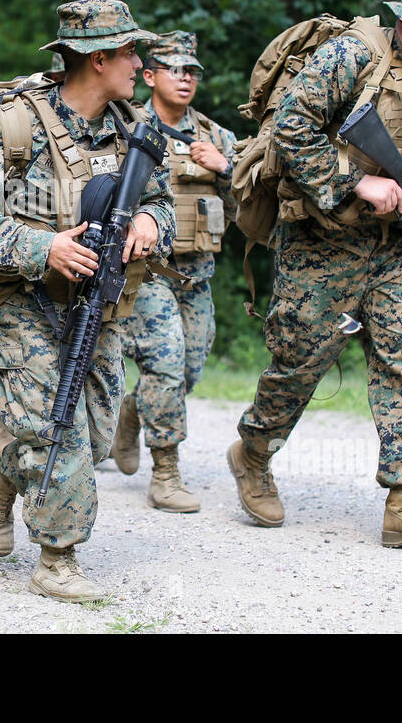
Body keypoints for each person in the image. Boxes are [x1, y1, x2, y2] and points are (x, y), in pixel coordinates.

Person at [227, 0, 402, 548]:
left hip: (394, 248)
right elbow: (292, 128)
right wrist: (354, 183)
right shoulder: (350, 56)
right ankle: (253, 451)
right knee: (300, 363)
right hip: (321, 241)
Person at [0, 0, 174, 602]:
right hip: (19, 298)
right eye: (131, 52)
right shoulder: (12, 125)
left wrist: (153, 225)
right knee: (59, 435)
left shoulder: (133, 128)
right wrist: (43, 247)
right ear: (98, 58)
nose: (140, 62)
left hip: (96, 301)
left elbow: (162, 201)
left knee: (98, 434)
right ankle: (58, 557)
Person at [113, 31, 236, 512]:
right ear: (149, 75)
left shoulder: (213, 135)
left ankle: (132, 411)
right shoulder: (127, 127)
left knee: (189, 370)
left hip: (197, 274)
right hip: (148, 273)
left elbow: (253, 195)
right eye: (174, 70)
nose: (186, 79)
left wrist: (225, 167)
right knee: (164, 365)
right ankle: (165, 472)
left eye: (193, 72)